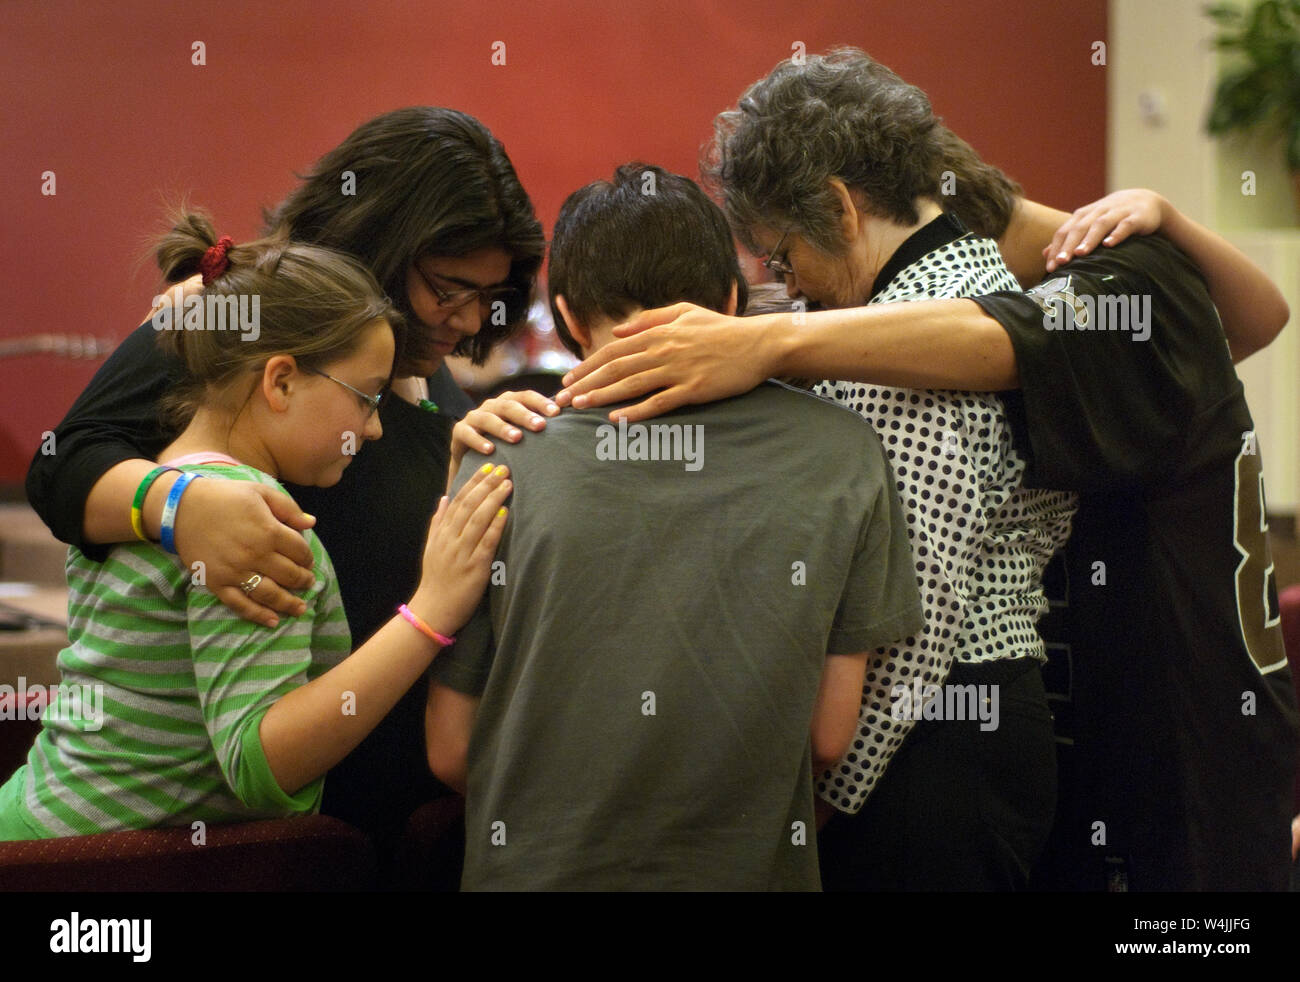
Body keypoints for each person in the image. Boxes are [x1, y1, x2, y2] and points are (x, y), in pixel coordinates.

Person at [550, 142, 1300, 890]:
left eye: (786, 258)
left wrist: (768, 342)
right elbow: (1257, 315)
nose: (795, 288)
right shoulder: (1101, 275)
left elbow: (922, 605)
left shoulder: (1050, 299)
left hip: (1156, 728)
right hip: (1107, 717)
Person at [22, 107, 546, 858]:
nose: (466, 319)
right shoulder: (240, 325)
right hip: (238, 829)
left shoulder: (430, 389)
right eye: (446, 287)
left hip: (370, 823)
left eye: (488, 295)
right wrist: (180, 507)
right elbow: (61, 469)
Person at [424, 163, 924, 890]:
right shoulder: (845, 453)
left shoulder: (497, 459)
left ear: (564, 316)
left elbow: (450, 749)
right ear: (730, 300)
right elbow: (828, 736)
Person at [678, 50, 1077, 890]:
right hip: (967, 729)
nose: (792, 291)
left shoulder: (910, 333)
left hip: (937, 742)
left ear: (838, 206)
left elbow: (909, 614)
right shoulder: (968, 280)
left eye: (784, 261)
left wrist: (828, 795)